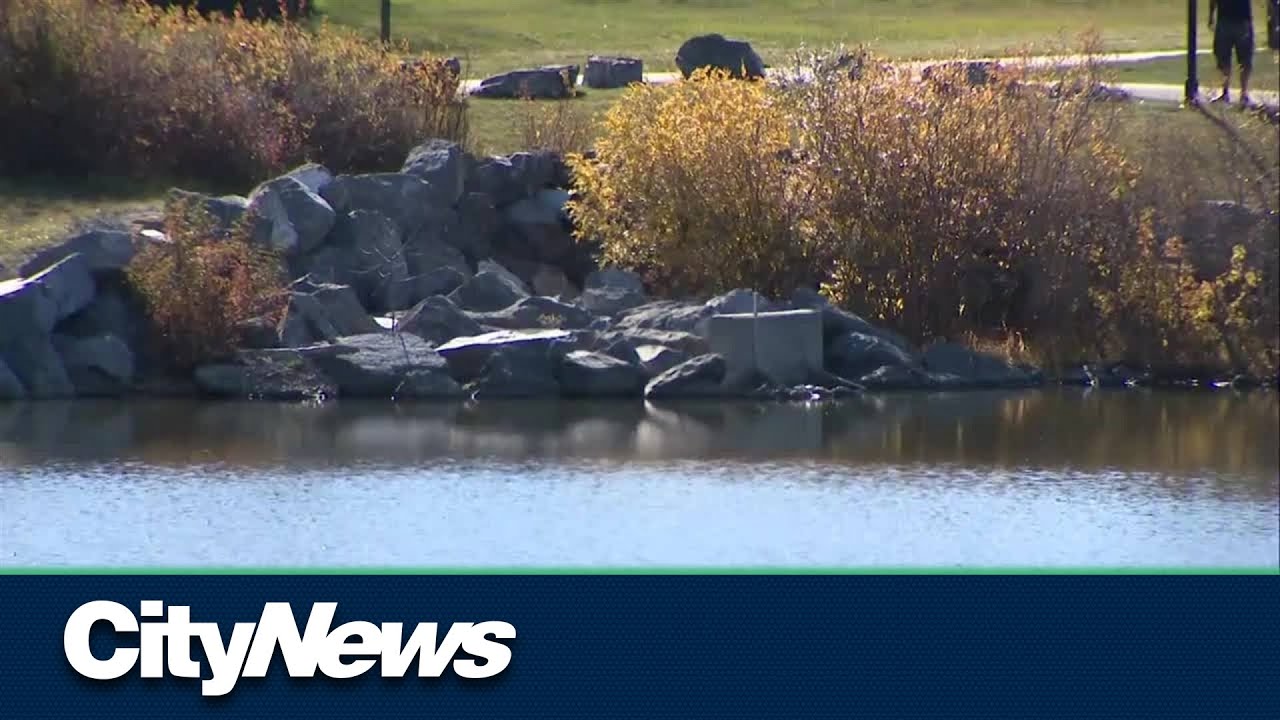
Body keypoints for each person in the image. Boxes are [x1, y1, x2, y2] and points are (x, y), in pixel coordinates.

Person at [1208, 0, 1256, 107]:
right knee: (1224, 57)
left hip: (1239, 20)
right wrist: (1211, 15)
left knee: (1244, 59)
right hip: (1230, 20)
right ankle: (1229, 92)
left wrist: (1211, 16)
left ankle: (1242, 93)